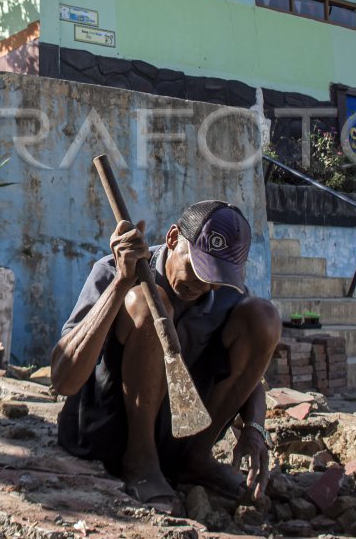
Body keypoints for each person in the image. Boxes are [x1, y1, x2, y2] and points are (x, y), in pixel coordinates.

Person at [50, 200, 281, 515]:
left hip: (176, 439)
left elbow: (248, 376)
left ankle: (195, 459)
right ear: (173, 238)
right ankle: (140, 460)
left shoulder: (226, 295)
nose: (203, 284)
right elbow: (63, 380)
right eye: (198, 269)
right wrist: (120, 283)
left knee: (263, 316)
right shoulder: (112, 271)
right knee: (149, 301)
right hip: (102, 431)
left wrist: (254, 427)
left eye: (216, 276)